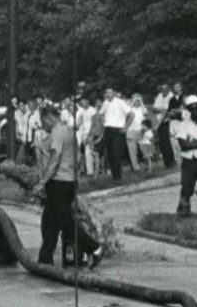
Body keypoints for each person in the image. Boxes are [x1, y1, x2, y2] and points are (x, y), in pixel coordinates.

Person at [33, 104, 102, 269]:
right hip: (68, 181)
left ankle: (95, 248)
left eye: (43, 122)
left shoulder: (57, 133)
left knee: (66, 223)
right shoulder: (69, 131)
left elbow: (55, 159)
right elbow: (78, 157)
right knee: (49, 221)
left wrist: (42, 182)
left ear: (50, 118)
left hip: (59, 182)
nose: (43, 126)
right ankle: (45, 259)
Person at [100, 88, 132, 181]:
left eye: (110, 92)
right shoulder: (105, 103)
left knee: (116, 153)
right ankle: (114, 177)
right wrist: (104, 122)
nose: (108, 94)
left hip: (118, 129)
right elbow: (101, 114)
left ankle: (118, 176)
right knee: (110, 154)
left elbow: (131, 114)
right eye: (106, 93)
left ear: (114, 93)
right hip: (108, 129)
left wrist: (126, 127)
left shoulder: (120, 102)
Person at [126, 94, 147, 171]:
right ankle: (136, 167)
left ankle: (146, 165)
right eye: (135, 100)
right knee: (132, 151)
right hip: (131, 131)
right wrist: (131, 104)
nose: (137, 102)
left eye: (138, 100)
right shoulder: (129, 109)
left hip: (141, 131)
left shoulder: (142, 109)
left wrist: (142, 103)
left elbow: (146, 114)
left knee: (144, 149)